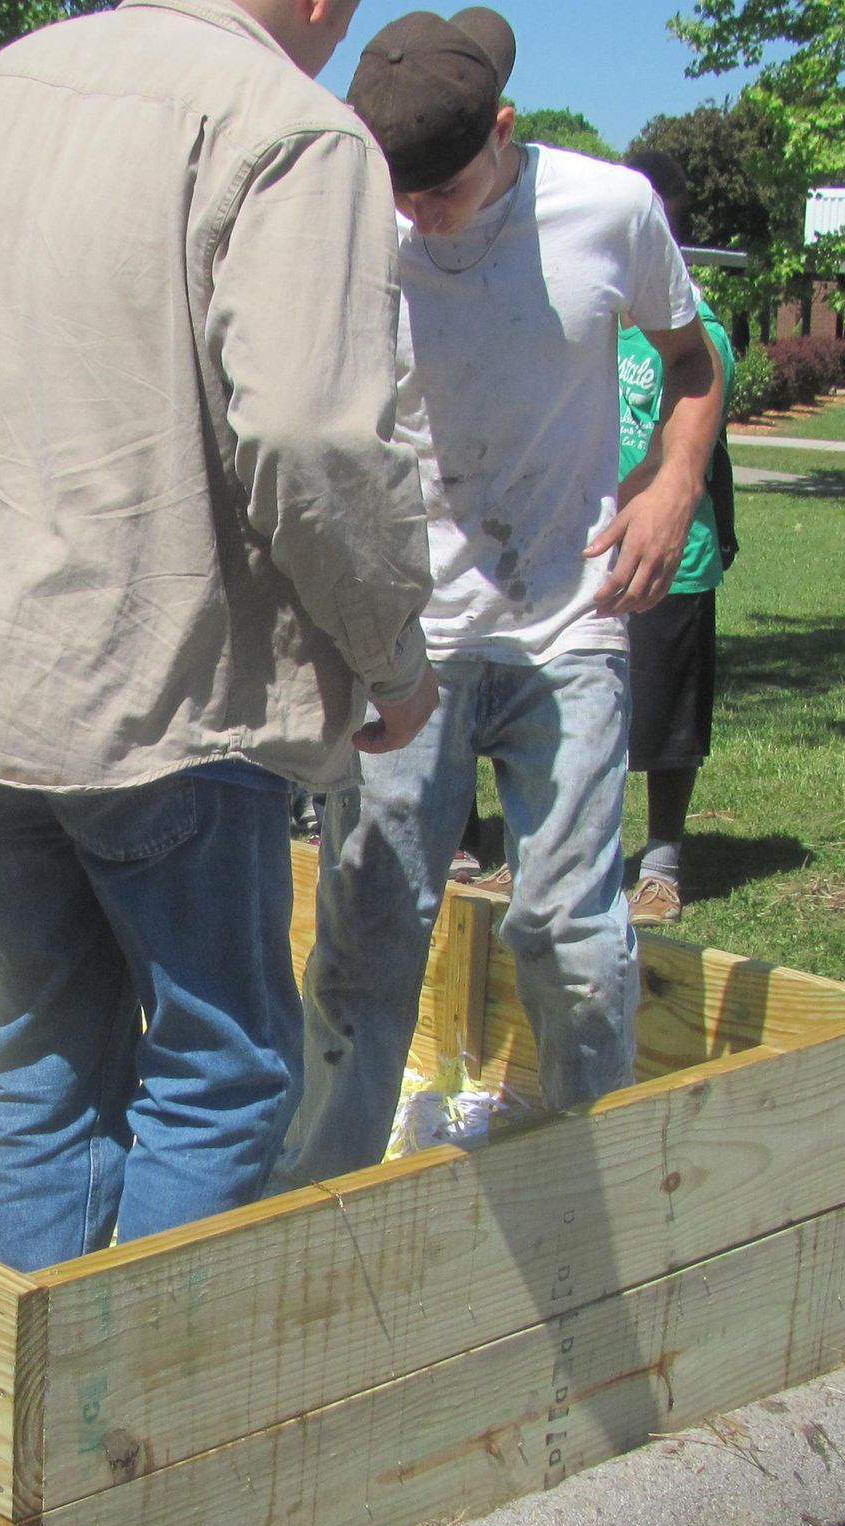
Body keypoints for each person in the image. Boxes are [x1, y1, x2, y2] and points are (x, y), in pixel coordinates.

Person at [0, 0, 440, 1274]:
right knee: (219, 1070)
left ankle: (17, 1429)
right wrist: (391, 651)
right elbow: (312, 432)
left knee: (45, 1045)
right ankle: (135, 1442)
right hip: (165, 697)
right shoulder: (293, 129)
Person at [277, 8, 723, 1186]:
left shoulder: (608, 210)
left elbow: (692, 361)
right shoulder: (348, 222)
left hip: (571, 619)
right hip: (402, 636)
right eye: (399, 190)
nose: (417, 216)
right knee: (370, 939)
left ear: (506, 129)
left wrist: (674, 480)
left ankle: (593, 1179)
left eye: (441, 188)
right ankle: (324, 1197)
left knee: (573, 930)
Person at [617, 147, 738, 927]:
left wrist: (619, 504)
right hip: (592, 557)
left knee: (666, 722)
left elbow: (679, 436)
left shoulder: (701, 336)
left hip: (670, 562)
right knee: (581, 716)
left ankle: (661, 864)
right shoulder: (599, 325)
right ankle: (572, 855)